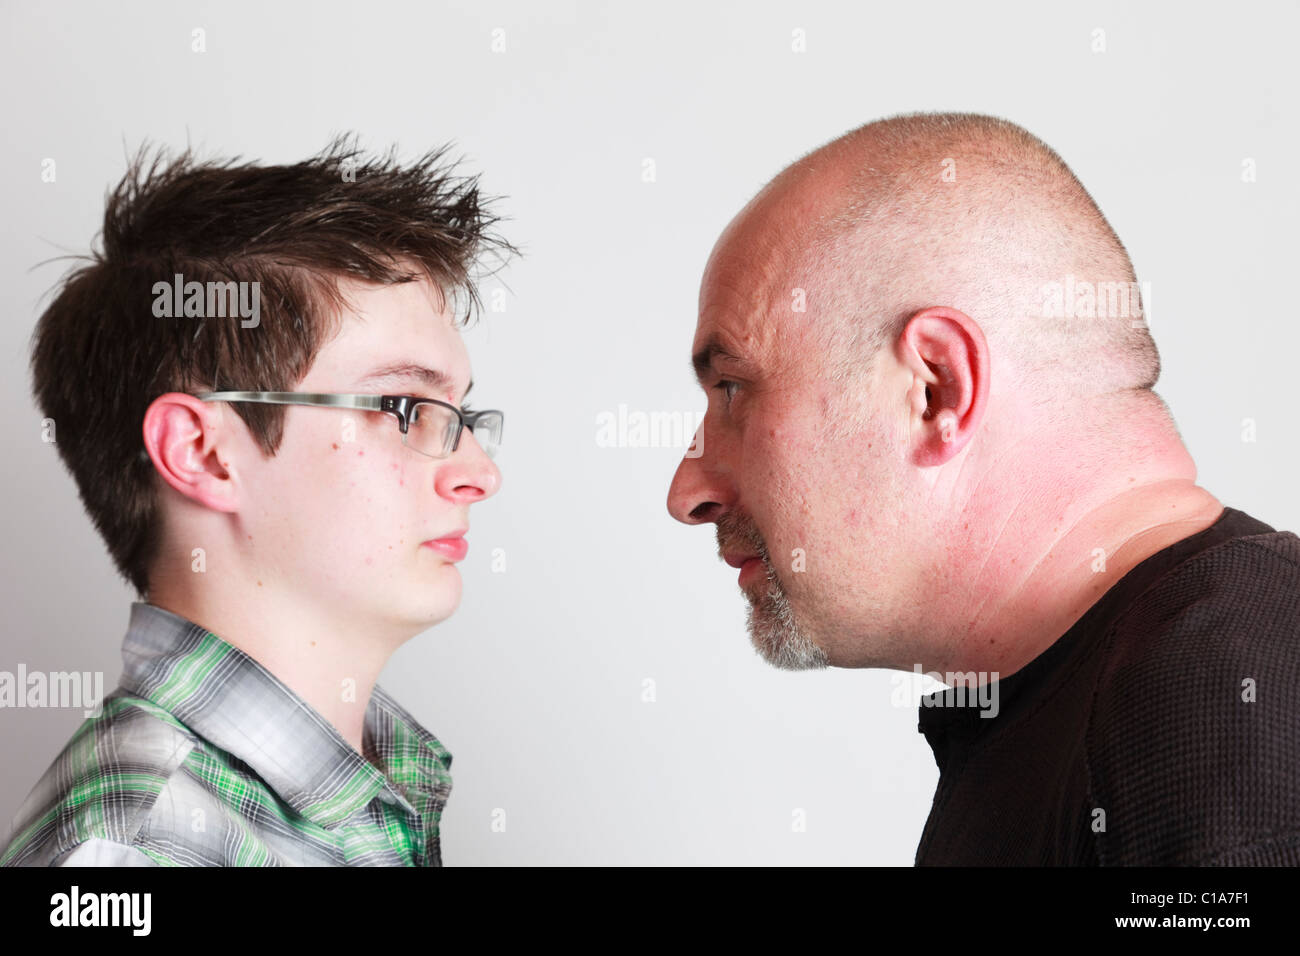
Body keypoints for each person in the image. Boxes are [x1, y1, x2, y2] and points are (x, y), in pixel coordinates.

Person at [666, 111, 1300, 865]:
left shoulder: (1217, 714)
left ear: (937, 389)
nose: (686, 490)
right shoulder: (1135, 703)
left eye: (733, 389)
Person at [2, 137, 512, 866]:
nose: (480, 473)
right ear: (201, 452)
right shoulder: (135, 852)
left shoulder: (380, 788)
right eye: (403, 407)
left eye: (459, 414)